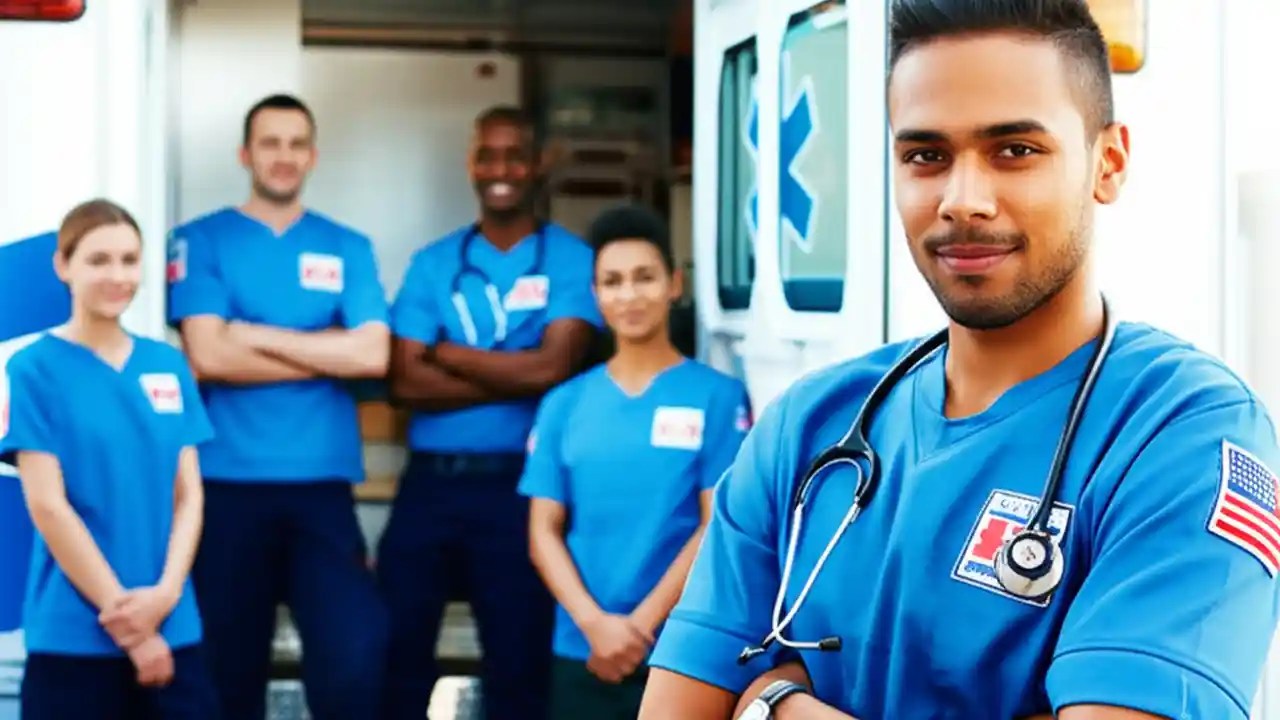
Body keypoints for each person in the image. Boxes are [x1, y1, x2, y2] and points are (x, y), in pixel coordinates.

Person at [638, 1, 1280, 719]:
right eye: (926, 156)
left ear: (1109, 162)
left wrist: (772, 703)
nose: (962, 200)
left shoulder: (1185, 433)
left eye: (1015, 150)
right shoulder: (808, 427)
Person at [166, 94, 391, 719]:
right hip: (226, 490)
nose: (284, 156)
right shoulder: (199, 240)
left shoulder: (347, 245)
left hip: (321, 490)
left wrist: (253, 332)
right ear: (246, 154)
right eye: (271, 143)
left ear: (314, 156)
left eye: (297, 144)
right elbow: (209, 354)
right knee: (226, 673)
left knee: (351, 662)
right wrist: (324, 349)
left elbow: (373, 354)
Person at [379, 105, 603, 720]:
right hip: (430, 483)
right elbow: (404, 381)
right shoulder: (434, 262)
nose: (500, 169)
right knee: (398, 653)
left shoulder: (570, 260)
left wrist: (447, 353)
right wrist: (515, 372)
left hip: (520, 489)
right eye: (488, 155)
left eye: (514, 154)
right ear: (472, 164)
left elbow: (553, 368)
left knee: (517, 662)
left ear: (538, 165)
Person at [518, 205, 752, 719]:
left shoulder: (718, 397)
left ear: (674, 283)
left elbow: (717, 526)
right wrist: (597, 625)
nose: (629, 295)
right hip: (582, 647)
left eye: (644, 277)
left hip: (681, 649)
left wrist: (641, 627)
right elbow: (543, 531)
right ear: (596, 295)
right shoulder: (564, 404)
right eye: (613, 281)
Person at [0, 199, 218, 718]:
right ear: (63, 266)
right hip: (76, 638)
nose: (116, 275)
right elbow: (49, 507)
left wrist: (165, 595)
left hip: (174, 628)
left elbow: (188, 494)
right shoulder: (34, 369)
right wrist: (132, 628)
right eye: (98, 260)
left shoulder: (167, 364)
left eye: (128, 260)